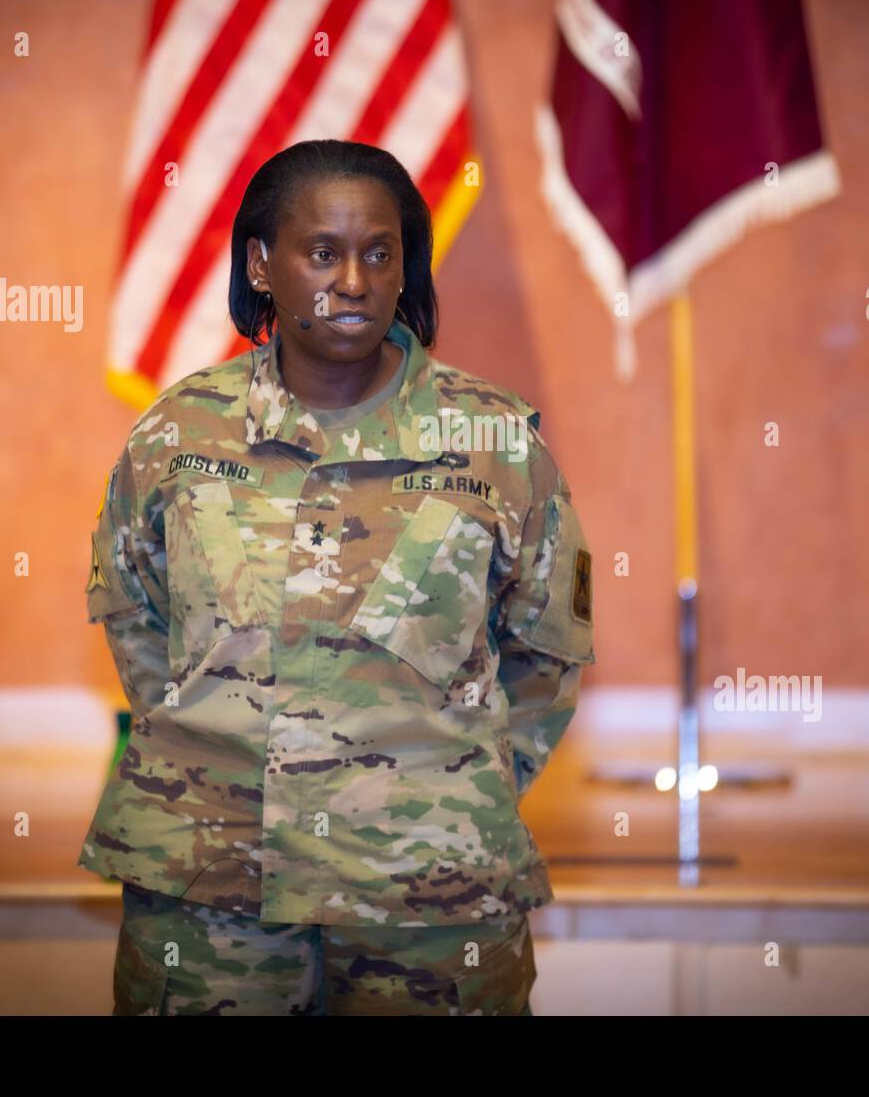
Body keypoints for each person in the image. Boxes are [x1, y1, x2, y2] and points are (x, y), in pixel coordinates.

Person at [80, 139, 596, 1015]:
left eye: (379, 253)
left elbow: (545, 653)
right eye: (323, 251)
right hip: (212, 893)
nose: (352, 279)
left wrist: (436, 794)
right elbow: (138, 619)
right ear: (262, 264)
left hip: (431, 901)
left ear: (405, 269)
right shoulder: (178, 436)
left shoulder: (499, 442)